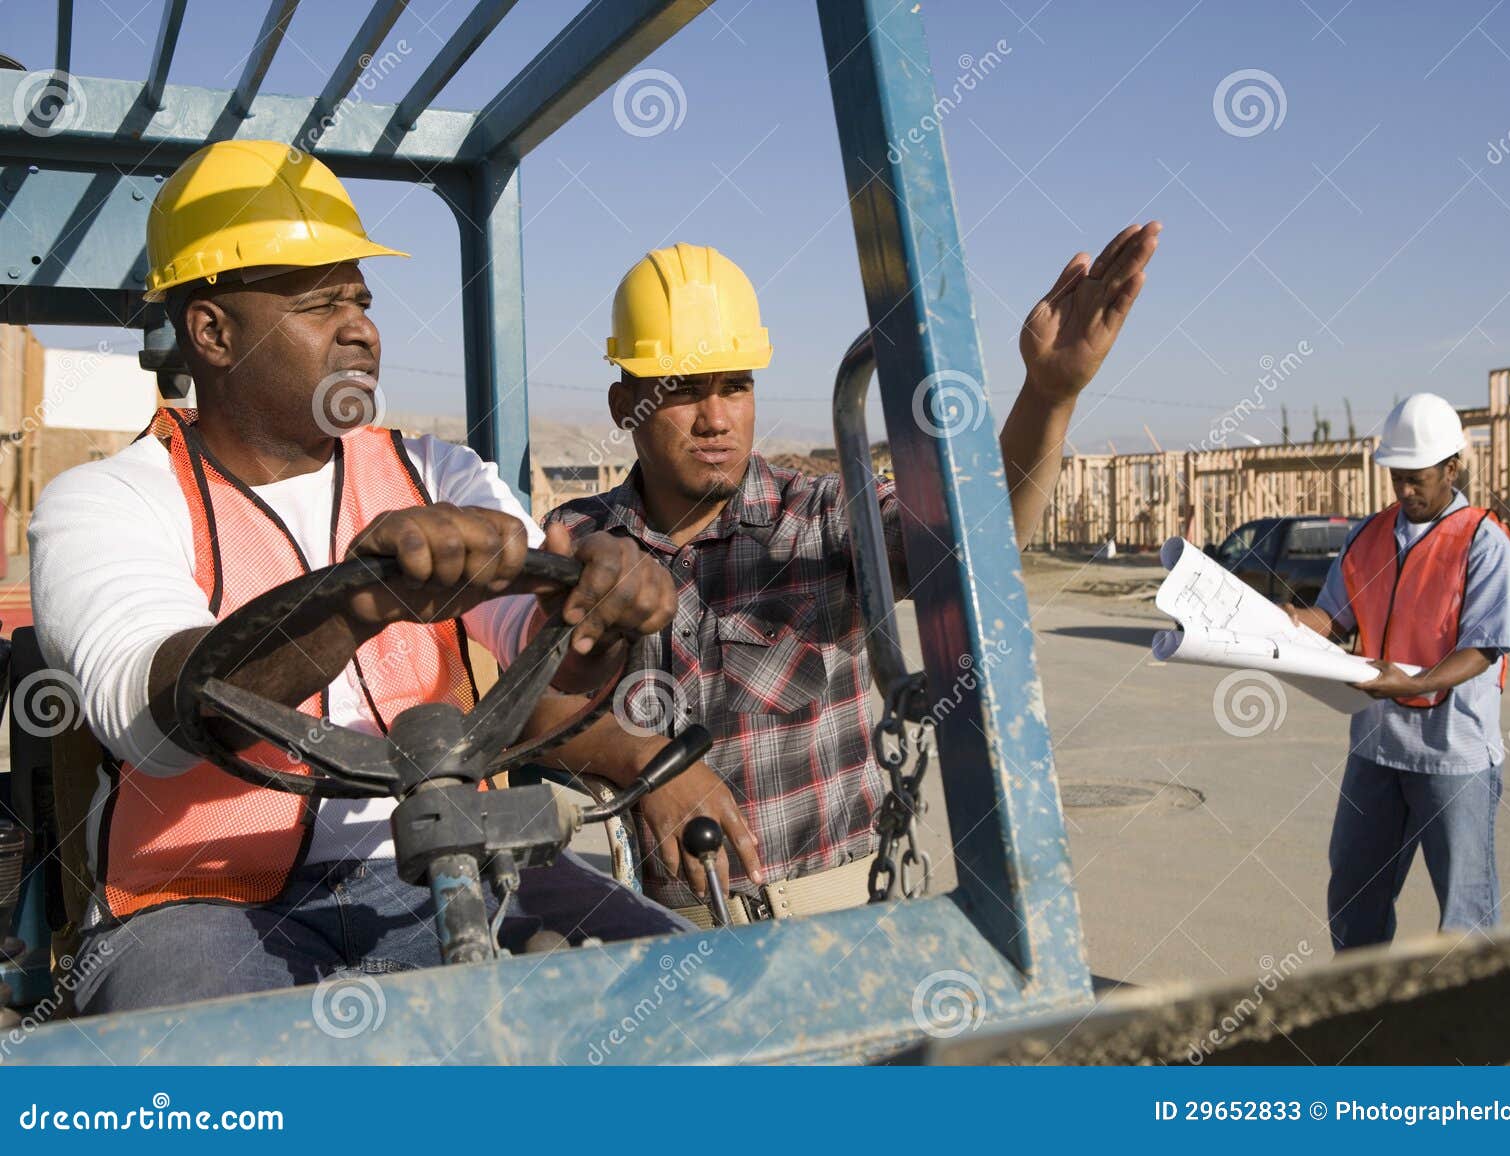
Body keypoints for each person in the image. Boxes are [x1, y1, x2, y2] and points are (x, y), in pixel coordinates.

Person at [28, 140, 688, 1016]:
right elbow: (153, 718)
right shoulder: (104, 501)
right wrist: (365, 599)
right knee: (223, 1077)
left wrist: (599, 608)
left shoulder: (439, 474)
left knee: (689, 994)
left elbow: (545, 657)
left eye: (362, 301)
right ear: (213, 333)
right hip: (206, 906)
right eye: (321, 304)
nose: (362, 328)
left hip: (450, 857)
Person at [537, 228, 1160, 924]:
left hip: (834, 918)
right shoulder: (582, 540)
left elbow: (976, 549)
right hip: (660, 930)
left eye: (735, 386)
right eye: (682, 390)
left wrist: (1048, 395)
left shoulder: (827, 516)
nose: (716, 418)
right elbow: (535, 715)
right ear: (627, 406)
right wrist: (647, 764)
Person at [1285, 393, 1510, 950]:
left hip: (1452, 756)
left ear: (1451, 468)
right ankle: (1362, 1026)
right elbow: (1332, 619)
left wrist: (1409, 683)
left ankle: (1467, 1030)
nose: (1405, 491)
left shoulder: (1483, 540)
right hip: (1375, 747)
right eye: (1396, 479)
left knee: (1465, 916)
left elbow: (1483, 649)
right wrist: (1284, 623)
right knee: (1354, 899)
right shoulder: (1367, 537)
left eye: (1417, 479)